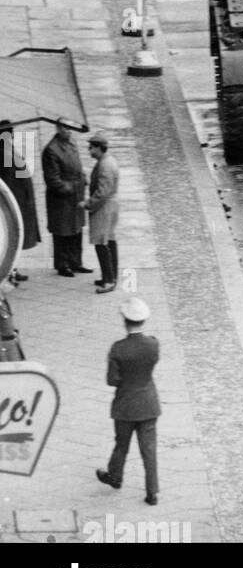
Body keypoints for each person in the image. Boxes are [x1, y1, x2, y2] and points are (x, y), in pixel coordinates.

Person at [96, 296, 161, 506]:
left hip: (125, 405)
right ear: (143, 320)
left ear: (125, 320)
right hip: (149, 403)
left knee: (121, 444)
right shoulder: (153, 344)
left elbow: (112, 380)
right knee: (149, 450)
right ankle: (152, 492)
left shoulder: (118, 348)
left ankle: (115, 477)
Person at [42, 121, 91, 278]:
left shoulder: (71, 143)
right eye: (65, 128)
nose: (68, 131)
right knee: (62, 231)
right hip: (61, 199)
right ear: (58, 128)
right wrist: (69, 189)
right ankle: (63, 264)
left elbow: (79, 165)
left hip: (76, 194)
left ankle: (76, 262)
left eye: (70, 128)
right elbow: (52, 179)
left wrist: (83, 179)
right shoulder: (51, 150)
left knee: (76, 229)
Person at [0, 121, 41, 284]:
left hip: (20, 201)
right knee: (13, 237)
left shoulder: (7, 149)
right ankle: (11, 272)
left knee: (16, 237)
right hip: (15, 202)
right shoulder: (3, 152)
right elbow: (7, 181)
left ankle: (13, 271)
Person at [83, 134, 119, 294]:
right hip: (111, 206)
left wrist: (87, 204)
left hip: (103, 208)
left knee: (101, 243)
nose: (89, 150)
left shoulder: (104, 165)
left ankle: (109, 280)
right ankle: (110, 275)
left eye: (91, 147)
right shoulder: (108, 161)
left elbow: (102, 192)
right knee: (109, 241)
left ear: (98, 147)